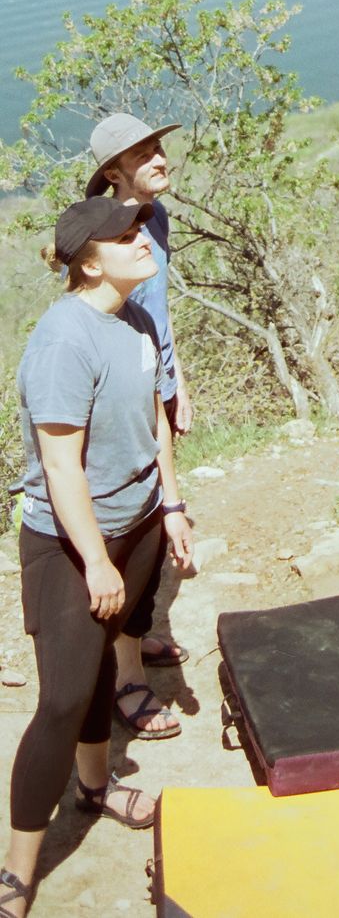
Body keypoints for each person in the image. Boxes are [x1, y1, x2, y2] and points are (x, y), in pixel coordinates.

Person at [1, 195, 195, 918]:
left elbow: (154, 417)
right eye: (124, 235)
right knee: (59, 698)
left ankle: (93, 786)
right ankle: (18, 872)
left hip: (140, 522)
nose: (142, 238)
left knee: (95, 677)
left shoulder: (137, 317)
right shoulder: (64, 340)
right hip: (71, 540)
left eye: (140, 228)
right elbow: (59, 467)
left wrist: (170, 506)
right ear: (89, 260)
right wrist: (98, 561)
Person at [85, 115, 192, 742]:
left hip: (157, 381)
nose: (159, 157)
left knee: (155, 526)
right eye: (142, 152)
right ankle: (125, 675)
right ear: (113, 172)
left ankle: (143, 632)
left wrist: (179, 379)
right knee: (133, 527)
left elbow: (157, 314)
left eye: (157, 146)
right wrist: (153, 393)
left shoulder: (156, 218)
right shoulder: (107, 233)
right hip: (129, 396)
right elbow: (112, 325)